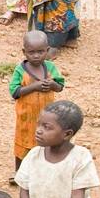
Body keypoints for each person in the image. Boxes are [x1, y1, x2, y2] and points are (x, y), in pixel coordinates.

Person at [15, 100, 99, 198]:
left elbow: (77, 196)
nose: (38, 130)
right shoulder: (34, 155)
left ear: (67, 134)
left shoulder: (80, 157)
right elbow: (24, 190)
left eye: (47, 127)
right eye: (39, 124)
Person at [10, 29, 65, 168]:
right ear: (24, 52)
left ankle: (41, 170)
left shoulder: (51, 67)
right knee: (23, 145)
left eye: (40, 52)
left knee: (45, 142)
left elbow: (60, 86)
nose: (36, 56)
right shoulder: (20, 70)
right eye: (31, 52)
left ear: (47, 50)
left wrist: (52, 84)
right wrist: (34, 87)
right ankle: (19, 173)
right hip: (26, 118)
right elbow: (15, 92)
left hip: (46, 117)